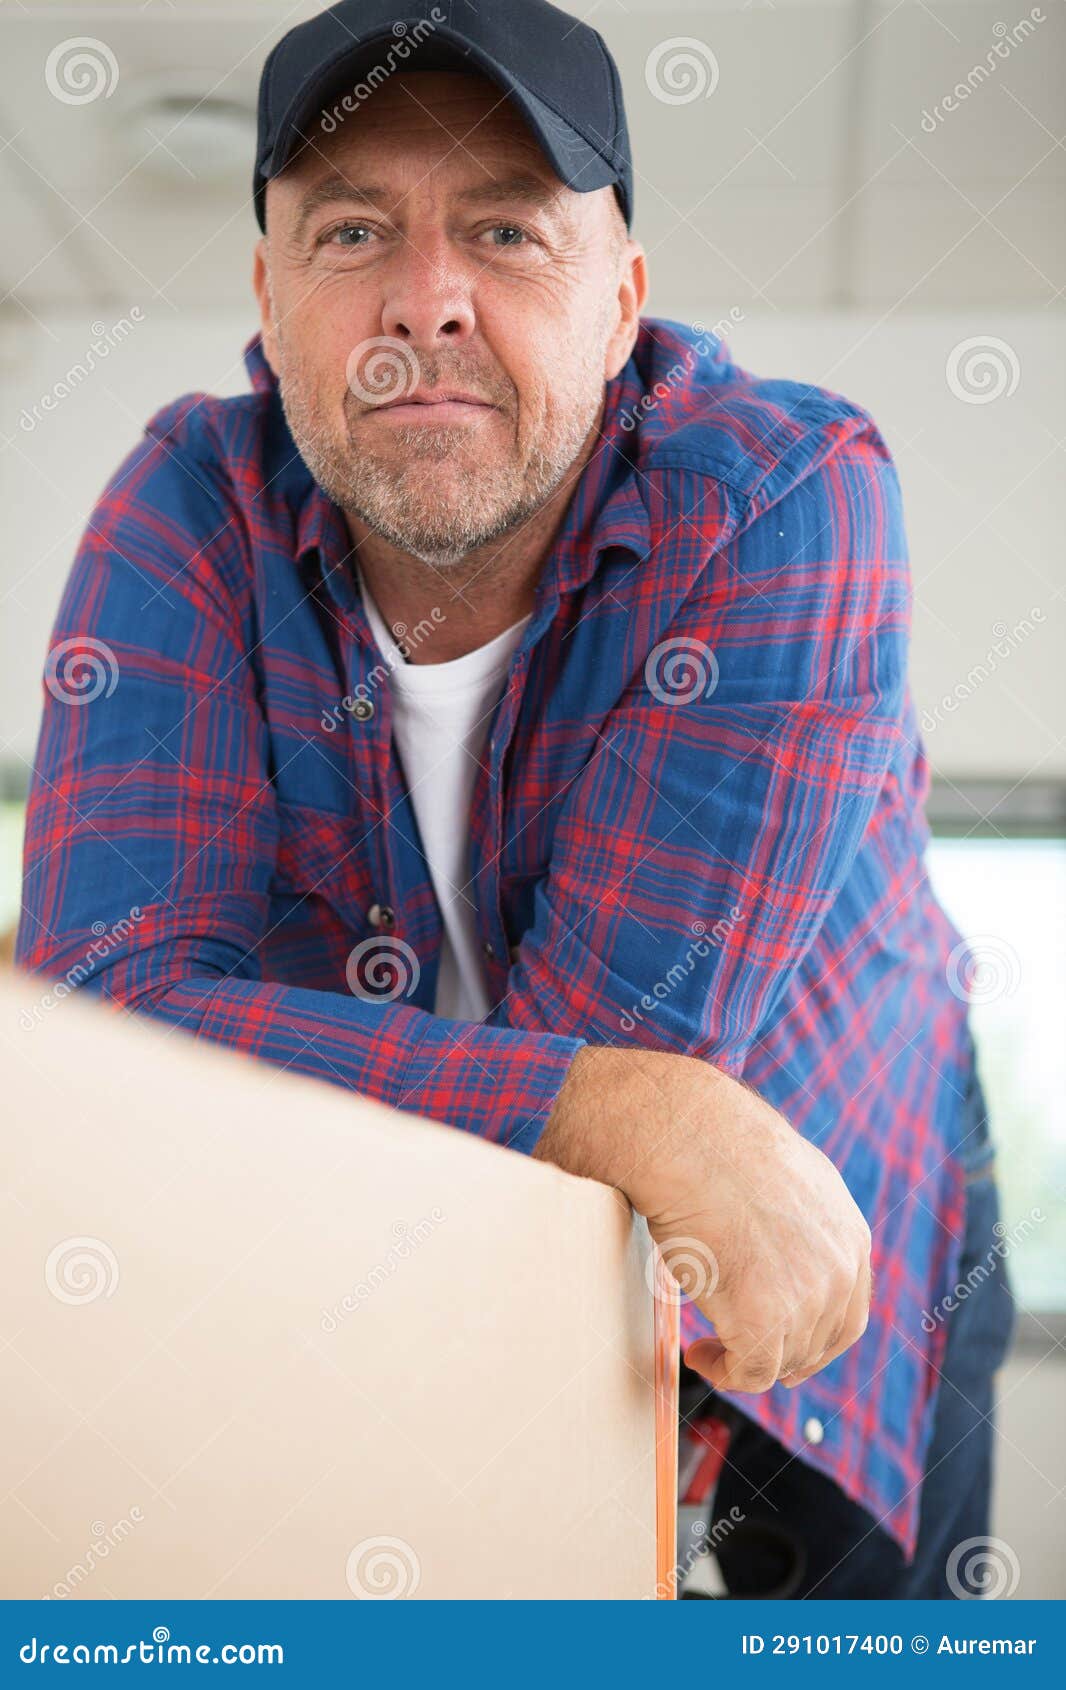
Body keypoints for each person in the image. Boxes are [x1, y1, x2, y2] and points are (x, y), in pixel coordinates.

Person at [16, 0, 1012, 1596]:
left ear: (621, 305)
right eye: (353, 232)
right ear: (269, 308)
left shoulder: (782, 498)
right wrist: (608, 1101)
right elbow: (113, 1021)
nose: (430, 300)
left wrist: (629, 1105)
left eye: (505, 230)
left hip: (833, 1186)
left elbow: (624, 1096)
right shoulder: (186, 507)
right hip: (467, 1203)